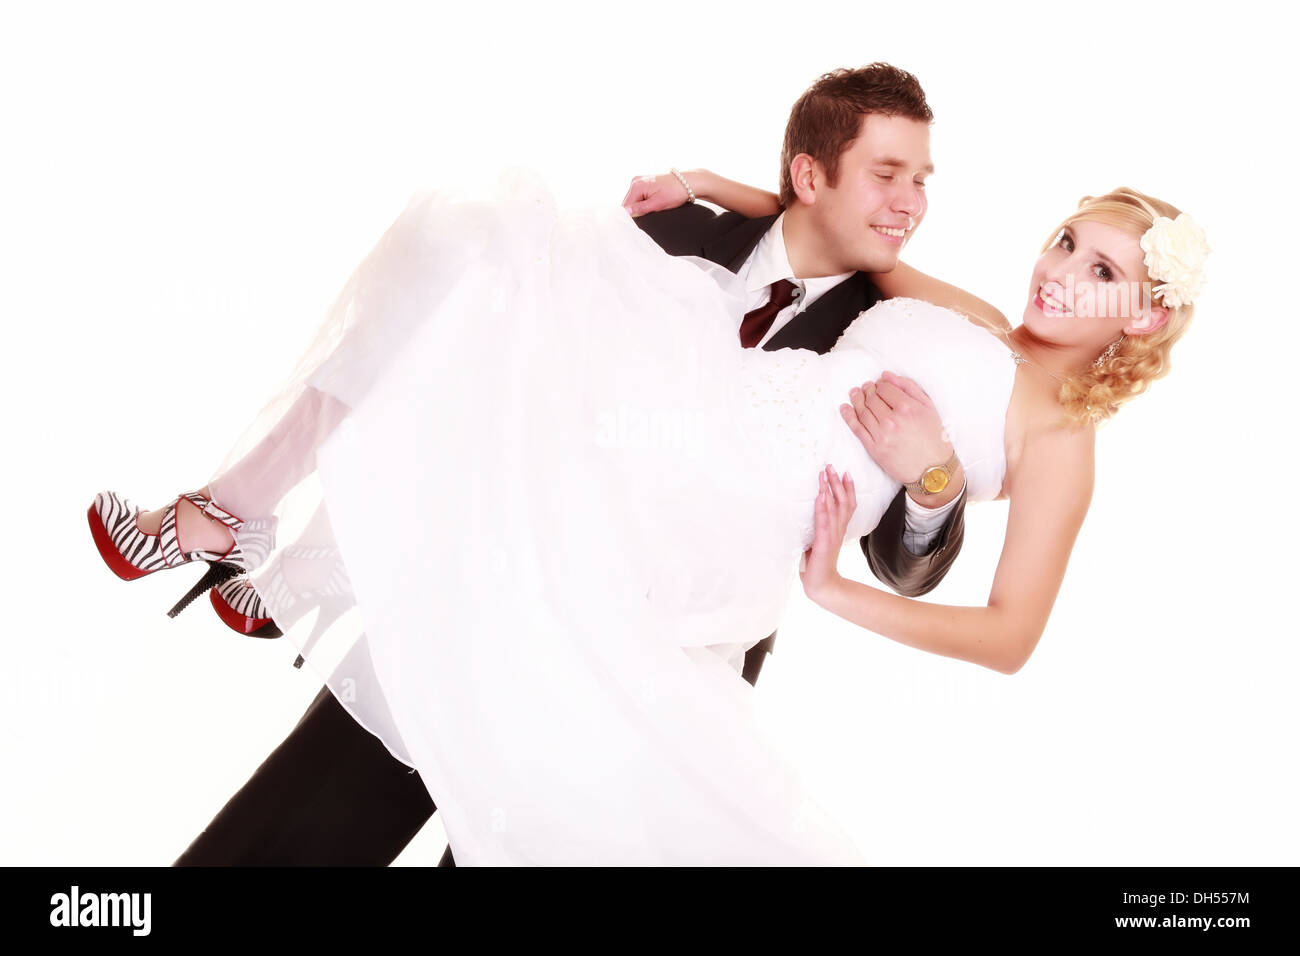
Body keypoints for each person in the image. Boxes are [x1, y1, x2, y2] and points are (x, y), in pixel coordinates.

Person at [88, 81, 1207, 863]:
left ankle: (267, 548)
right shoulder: (946, 308)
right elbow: (836, 232)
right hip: (612, 477)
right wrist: (720, 182)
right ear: (816, 174)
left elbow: (997, 625)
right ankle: (242, 521)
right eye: (1065, 239)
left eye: (1101, 269)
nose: (1059, 270)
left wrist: (924, 489)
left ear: (1148, 315)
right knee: (465, 244)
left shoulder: (1055, 437)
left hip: (697, 575)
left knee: (527, 833)